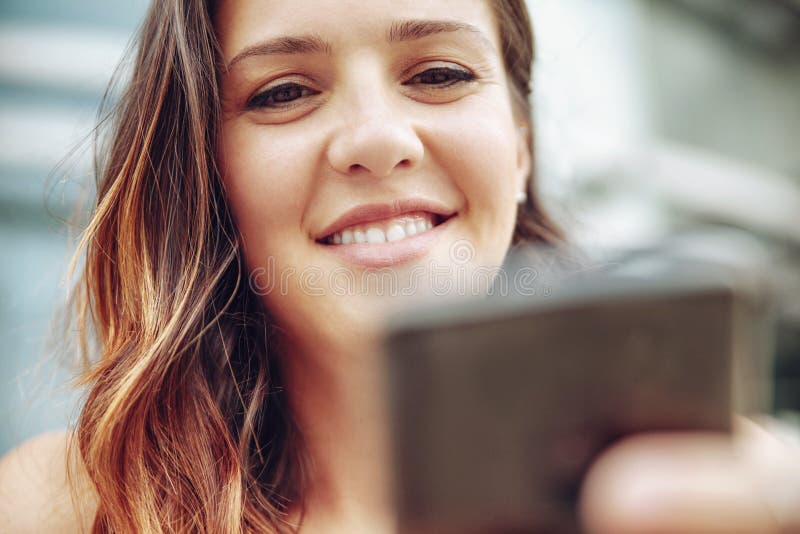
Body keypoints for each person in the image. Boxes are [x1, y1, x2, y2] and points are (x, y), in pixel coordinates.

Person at [1, 0, 799, 532]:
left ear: (521, 146)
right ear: (209, 174)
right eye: (283, 92)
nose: (378, 140)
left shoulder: (719, 492)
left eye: (439, 75)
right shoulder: (68, 509)